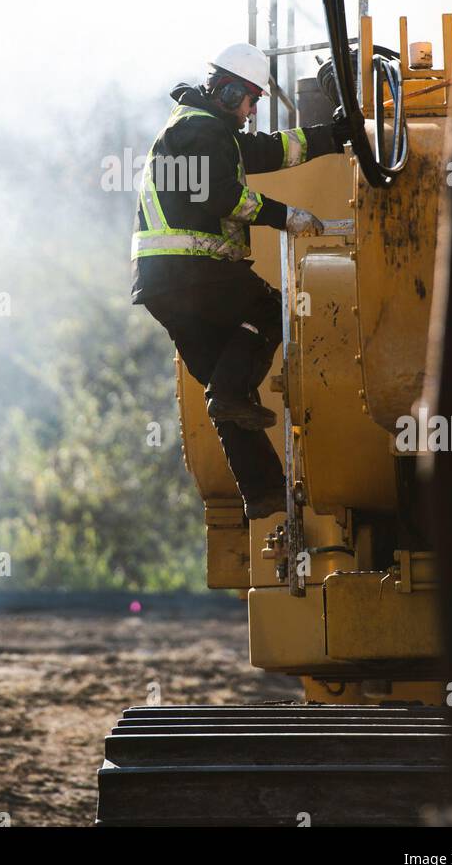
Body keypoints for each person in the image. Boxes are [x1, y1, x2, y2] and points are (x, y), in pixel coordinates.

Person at [131, 42, 345, 519]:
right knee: (270, 311)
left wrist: (332, 136)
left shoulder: (207, 132)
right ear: (228, 93)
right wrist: (285, 215)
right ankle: (235, 407)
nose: (252, 113)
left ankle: (265, 492)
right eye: (250, 101)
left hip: (167, 281)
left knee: (228, 398)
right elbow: (220, 196)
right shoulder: (199, 130)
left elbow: (272, 149)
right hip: (192, 269)